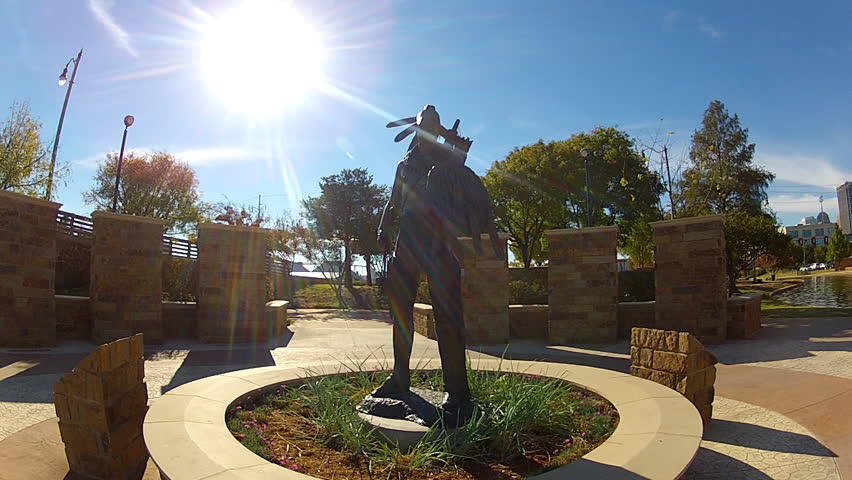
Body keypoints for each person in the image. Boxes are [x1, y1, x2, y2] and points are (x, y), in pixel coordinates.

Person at [373, 105, 501, 422]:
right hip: (407, 238)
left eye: (433, 122)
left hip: (439, 239)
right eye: (424, 122)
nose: (427, 126)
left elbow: (462, 152)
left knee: (448, 314)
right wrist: (383, 224)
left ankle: (457, 391)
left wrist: (446, 136)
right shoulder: (405, 163)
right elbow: (394, 198)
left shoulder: (447, 157)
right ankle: (399, 378)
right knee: (401, 311)